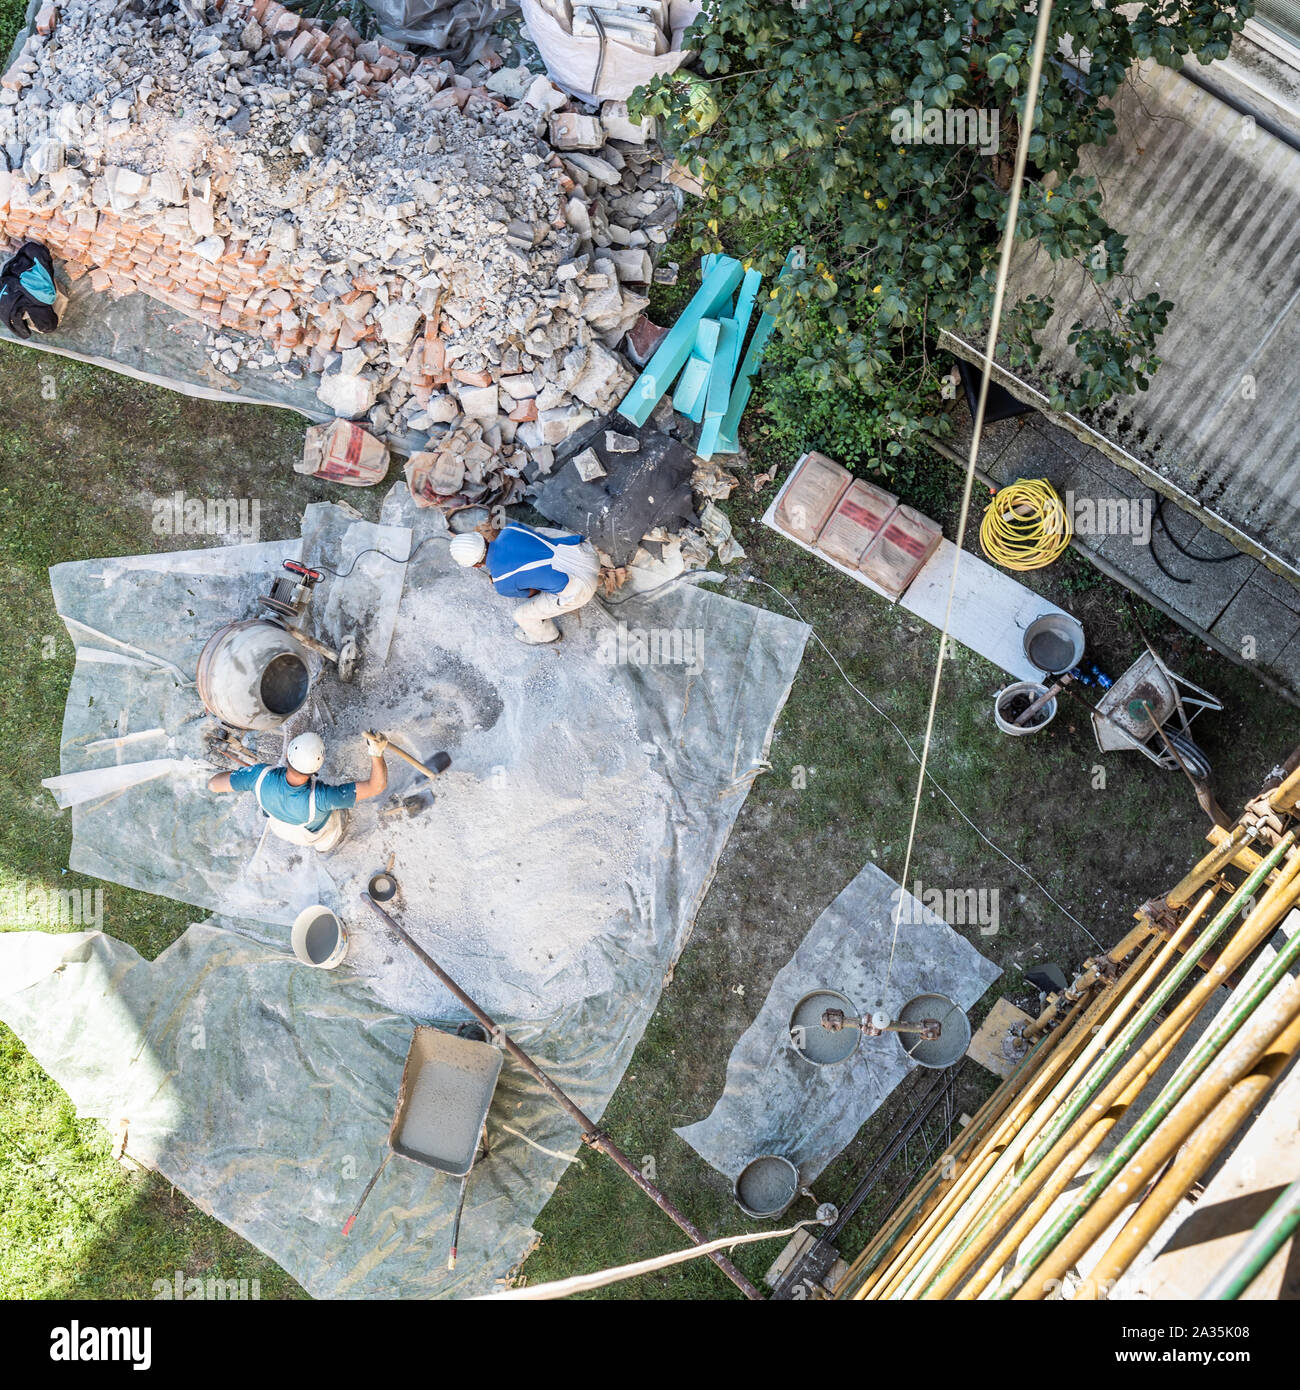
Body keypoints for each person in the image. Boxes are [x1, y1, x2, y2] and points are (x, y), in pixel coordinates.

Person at [207, 731, 388, 852]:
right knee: (335, 824)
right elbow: (376, 786)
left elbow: (213, 785)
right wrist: (376, 752)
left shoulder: (258, 776)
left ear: (287, 755)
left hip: (280, 826)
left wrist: (244, 777)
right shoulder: (323, 797)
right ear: (318, 767)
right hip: (312, 834)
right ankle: (328, 847)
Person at [449, 522, 600, 645]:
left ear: (476, 565)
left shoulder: (501, 584)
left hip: (582, 586)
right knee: (537, 532)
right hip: (586, 551)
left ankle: (548, 636)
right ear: (483, 538)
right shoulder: (510, 529)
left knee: (522, 616)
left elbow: (533, 592)